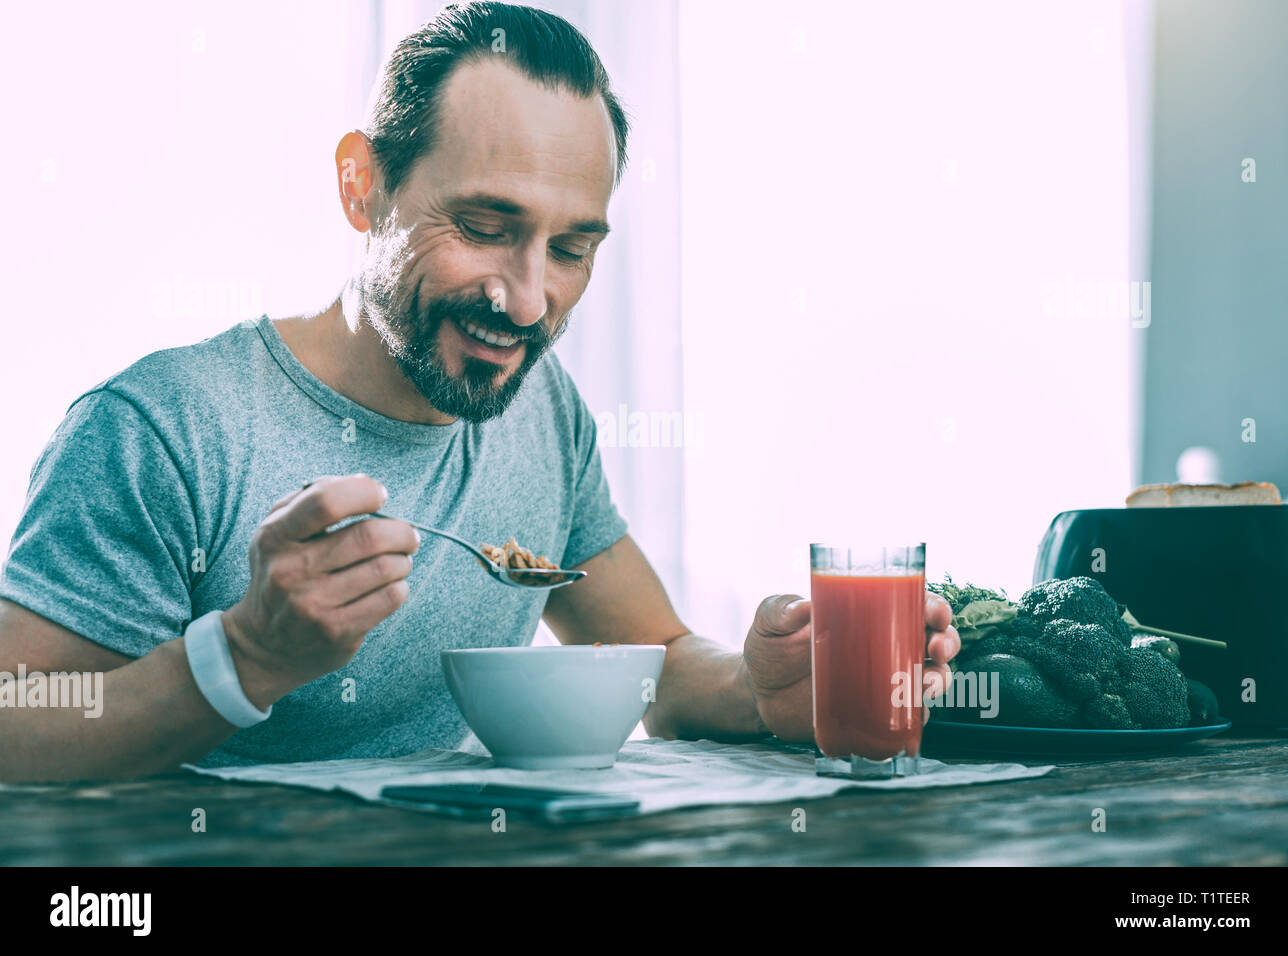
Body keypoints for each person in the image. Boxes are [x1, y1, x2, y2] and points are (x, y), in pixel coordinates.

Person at [0, 2, 958, 782]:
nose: (530, 300)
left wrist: (763, 692)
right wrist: (243, 657)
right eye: (486, 225)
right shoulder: (163, 428)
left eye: (573, 249)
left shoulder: (543, 415)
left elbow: (653, 662)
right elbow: (16, 722)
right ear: (362, 186)